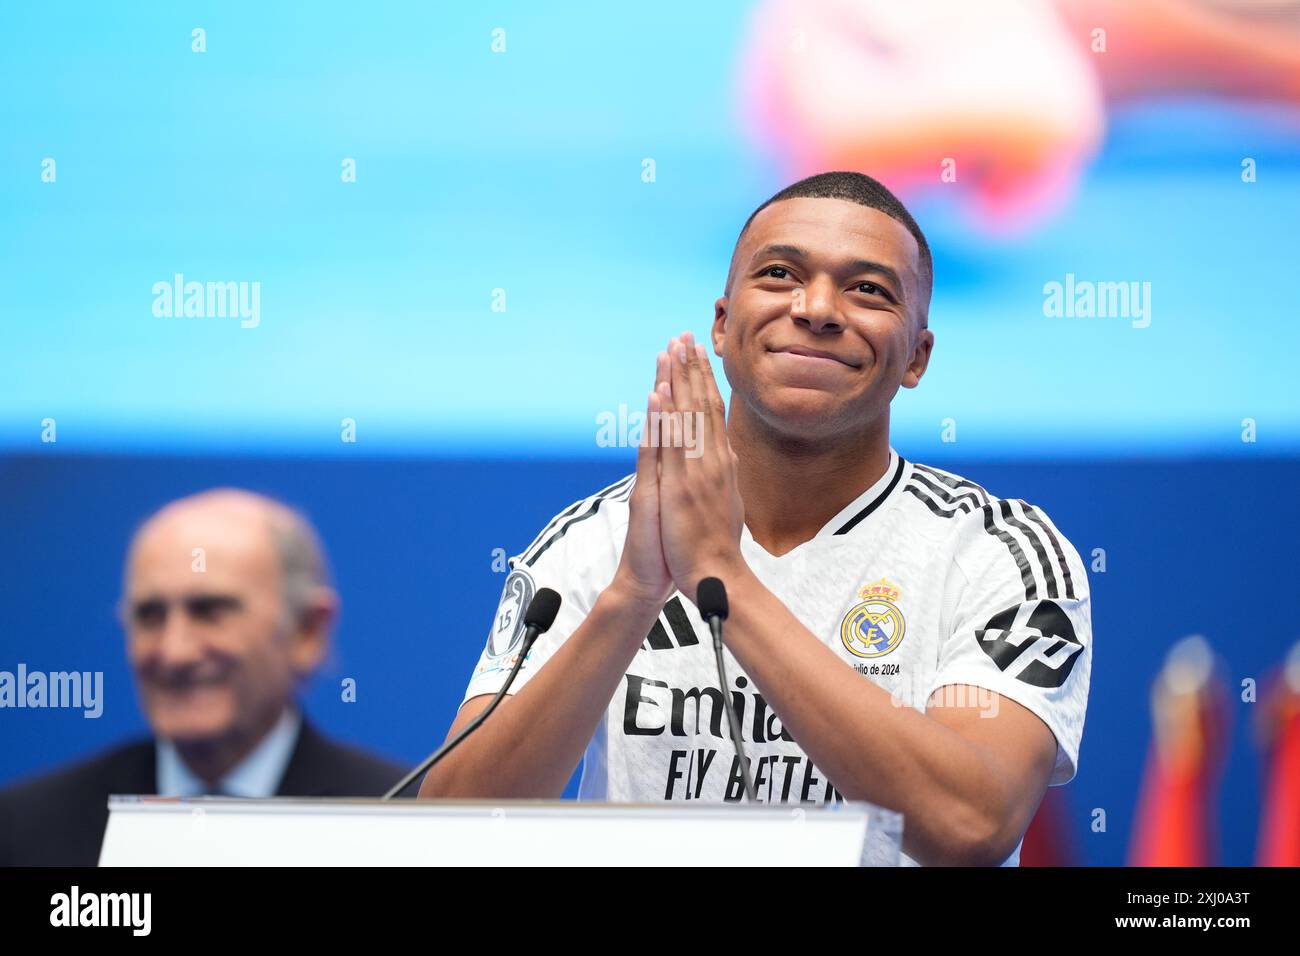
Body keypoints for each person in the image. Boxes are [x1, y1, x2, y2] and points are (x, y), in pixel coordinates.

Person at [419, 171, 1093, 867]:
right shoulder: (592, 548)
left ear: (917, 357)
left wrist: (721, 577)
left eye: (868, 289)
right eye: (779, 274)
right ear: (722, 324)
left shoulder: (995, 555)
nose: (818, 308)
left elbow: (970, 825)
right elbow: (449, 836)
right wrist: (631, 597)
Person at [0, 489, 405, 866]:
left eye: (210, 611)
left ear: (305, 631)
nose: (175, 652)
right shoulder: (29, 828)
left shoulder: (398, 824)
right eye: (150, 616)